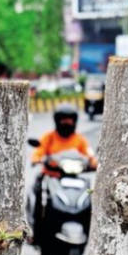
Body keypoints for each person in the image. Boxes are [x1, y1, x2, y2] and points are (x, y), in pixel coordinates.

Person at [27, 104, 97, 244]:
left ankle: (88, 231)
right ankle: (36, 232)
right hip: (50, 176)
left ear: (74, 121)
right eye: (63, 119)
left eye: (70, 120)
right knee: (40, 197)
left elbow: (90, 156)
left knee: (89, 199)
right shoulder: (49, 137)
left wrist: (95, 163)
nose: (67, 123)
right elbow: (38, 152)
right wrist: (38, 159)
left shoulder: (80, 140)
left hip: (73, 177)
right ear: (57, 120)